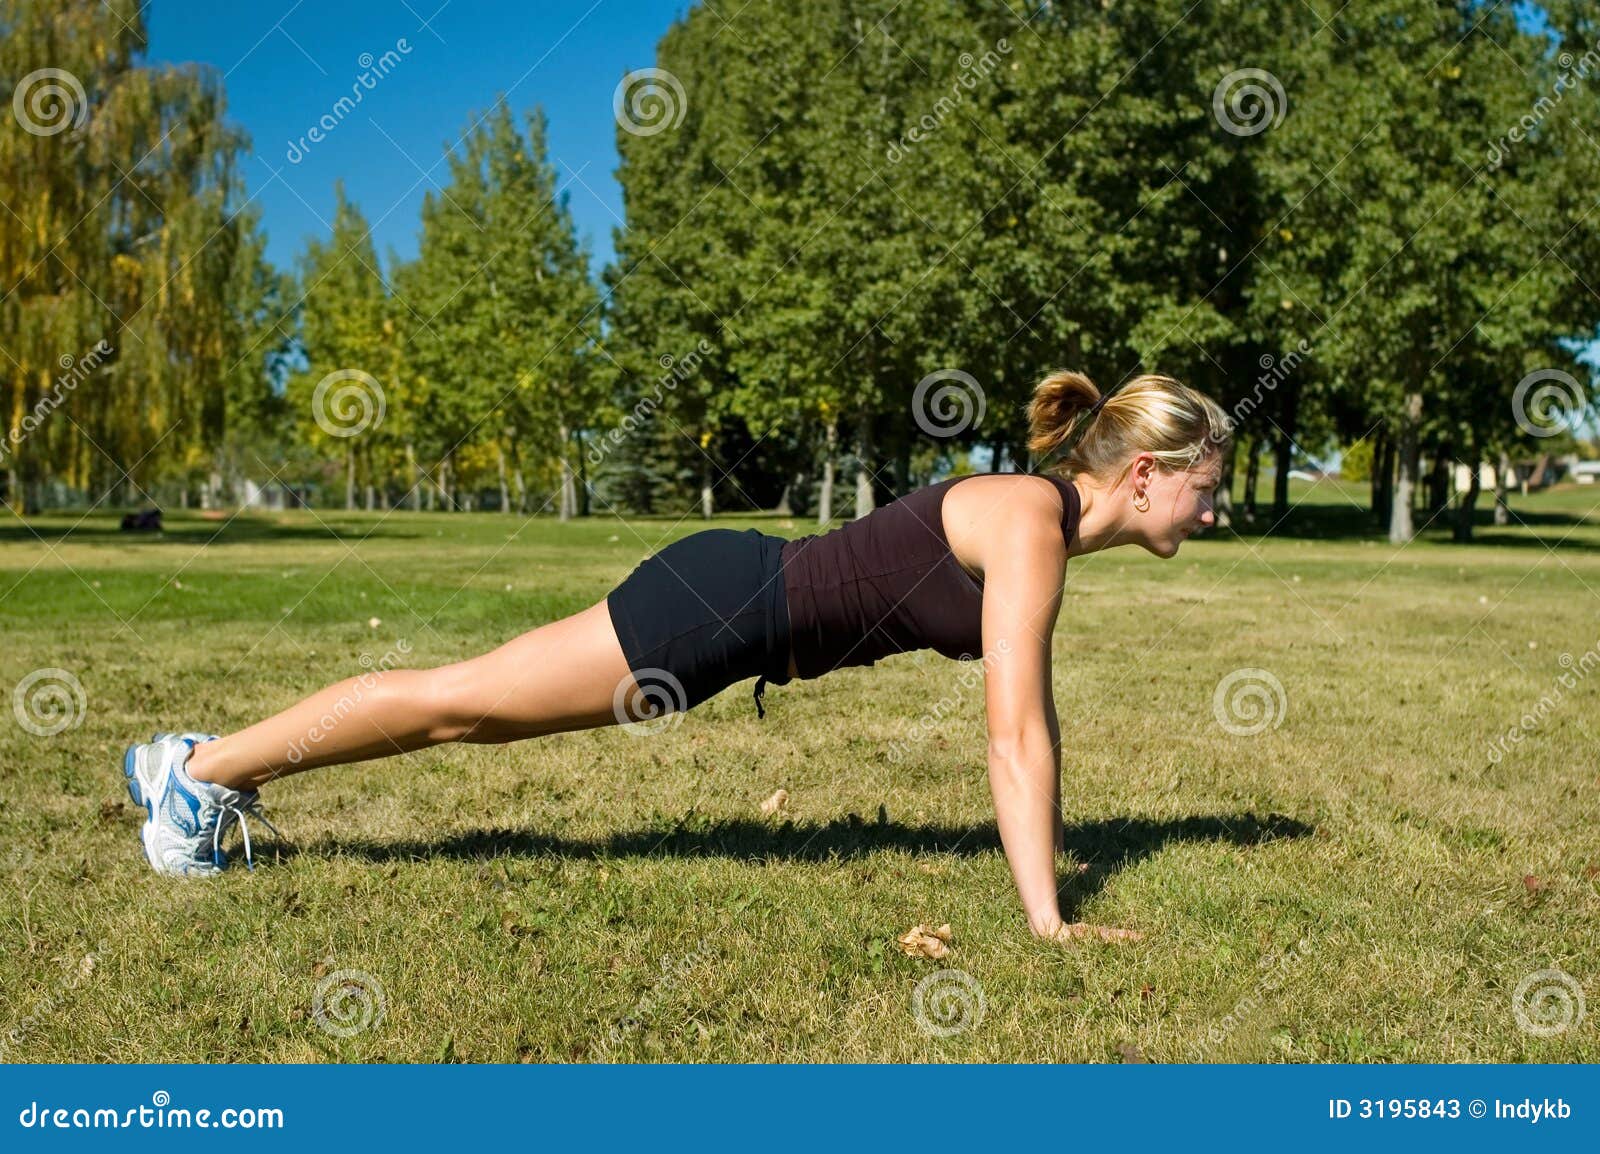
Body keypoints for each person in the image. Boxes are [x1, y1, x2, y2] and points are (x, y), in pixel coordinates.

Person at [123, 369, 1230, 945]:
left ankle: (201, 762)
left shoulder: (1034, 519)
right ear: (1144, 473)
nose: (1212, 512)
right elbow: (1017, 731)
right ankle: (199, 774)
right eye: (1206, 487)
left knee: (463, 707)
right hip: (717, 604)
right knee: (458, 705)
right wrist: (1050, 920)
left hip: (726, 617)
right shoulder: (1031, 520)